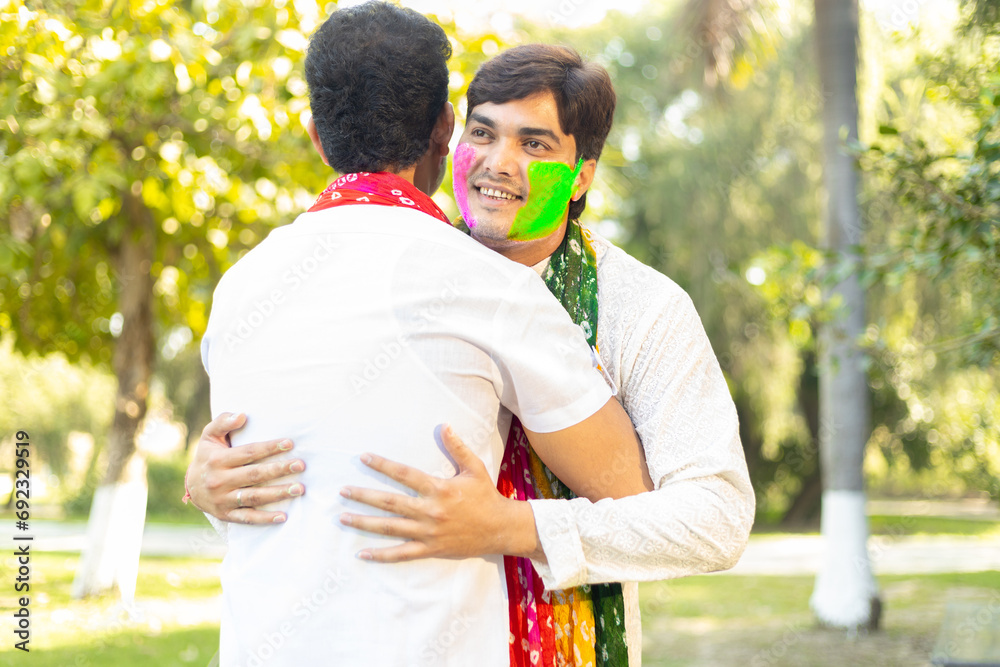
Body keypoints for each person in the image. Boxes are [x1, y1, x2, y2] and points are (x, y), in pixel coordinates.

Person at [189, 43, 754, 666]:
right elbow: (328, 479)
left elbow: (716, 518)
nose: (497, 164)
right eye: (482, 133)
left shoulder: (640, 308)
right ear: (449, 138)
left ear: (582, 175)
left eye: (534, 144)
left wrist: (514, 527)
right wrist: (214, 488)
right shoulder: (390, 271)